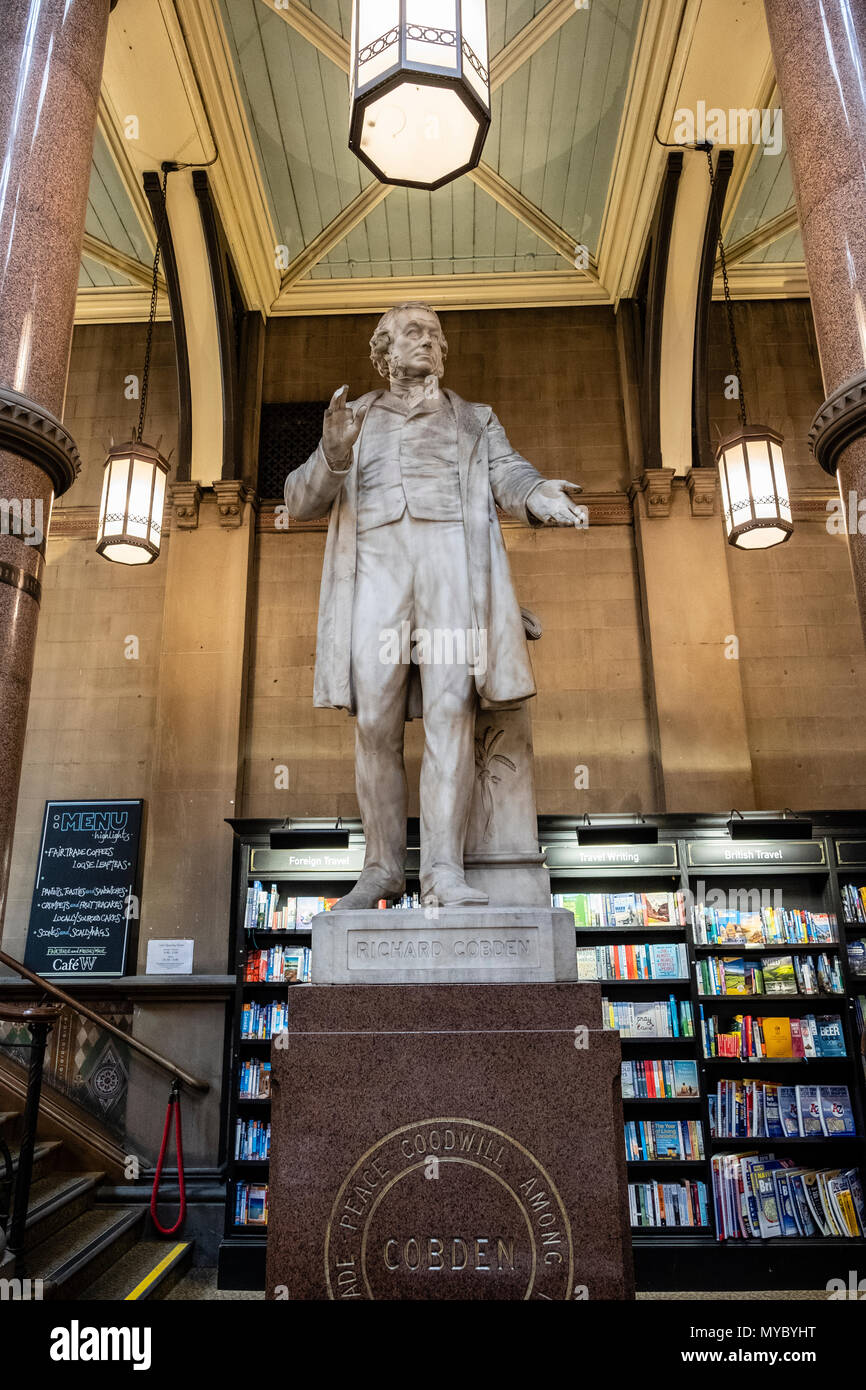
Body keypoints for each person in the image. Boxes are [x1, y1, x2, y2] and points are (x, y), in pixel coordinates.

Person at [284, 302, 584, 908]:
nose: (429, 343)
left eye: (436, 336)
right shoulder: (355, 418)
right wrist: (333, 453)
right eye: (414, 333)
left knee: (452, 713)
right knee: (373, 722)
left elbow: (510, 474)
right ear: (385, 350)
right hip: (377, 570)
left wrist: (538, 495)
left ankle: (443, 871)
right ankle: (382, 868)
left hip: (452, 566)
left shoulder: (474, 418)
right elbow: (299, 501)